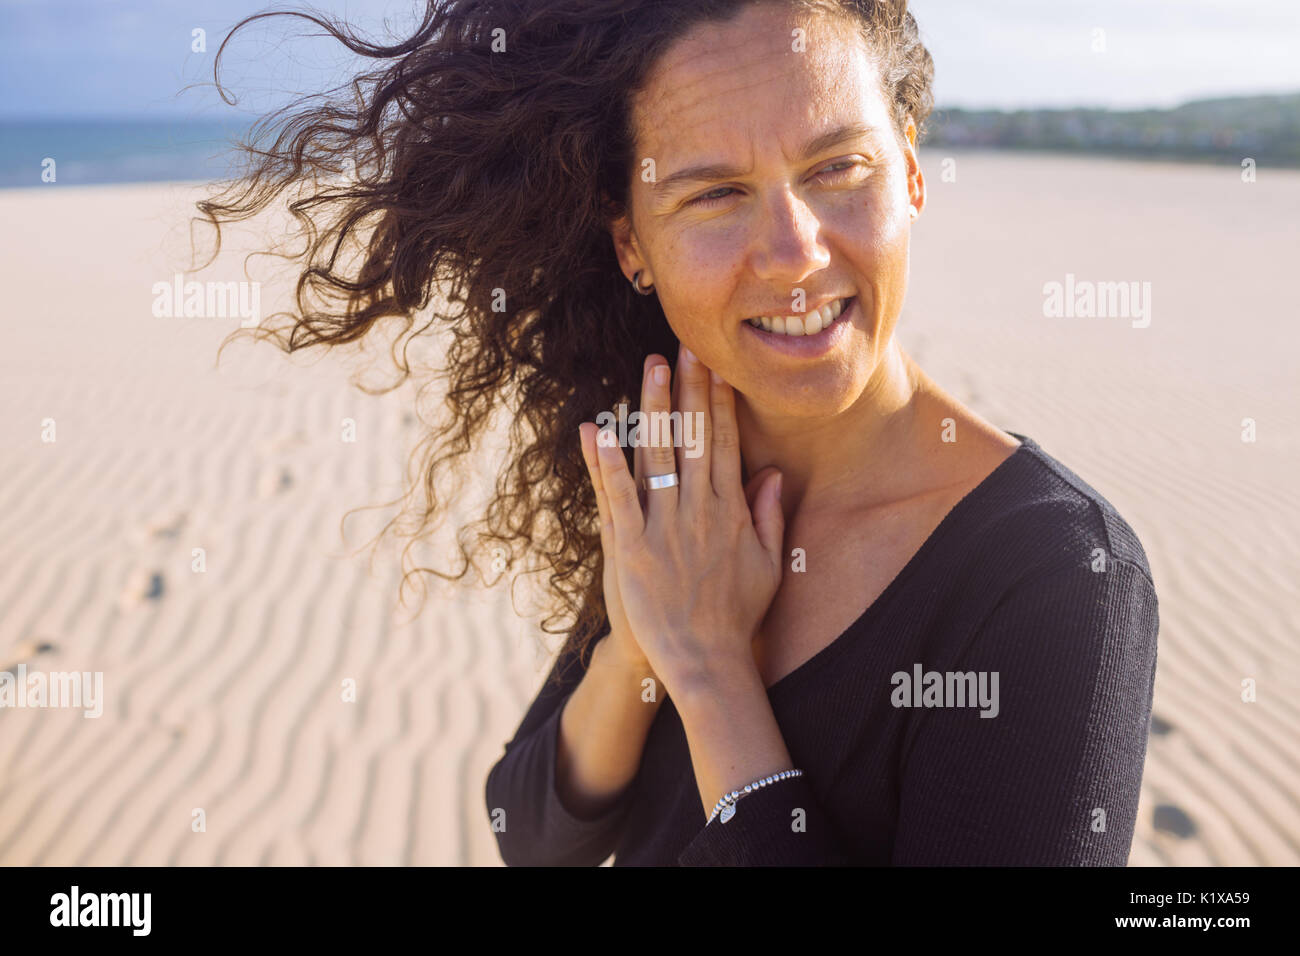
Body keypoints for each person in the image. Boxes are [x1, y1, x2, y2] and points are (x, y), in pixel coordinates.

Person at [201, 0, 1159, 866]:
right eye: (714, 194)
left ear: (909, 169)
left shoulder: (1058, 577)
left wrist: (709, 674)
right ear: (632, 245)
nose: (795, 253)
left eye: (838, 167)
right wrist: (638, 643)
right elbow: (528, 834)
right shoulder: (682, 470)